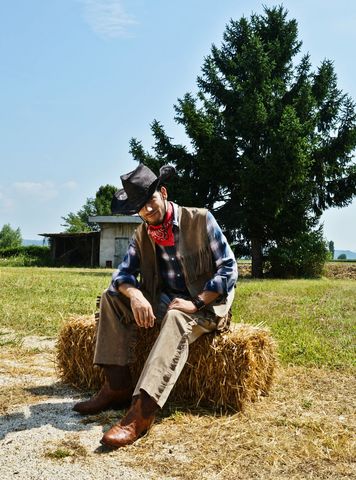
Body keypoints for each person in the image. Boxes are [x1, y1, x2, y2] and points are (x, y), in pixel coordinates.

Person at [73, 164, 238, 448]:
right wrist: (135, 295)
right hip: (163, 299)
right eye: (141, 206)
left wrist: (196, 301)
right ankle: (117, 386)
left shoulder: (201, 219)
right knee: (112, 297)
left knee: (176, 316)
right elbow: (121, 277)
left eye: (151, 200)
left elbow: (229, 270)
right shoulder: (143, 233)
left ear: (163, 193)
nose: (148, 210)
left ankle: (142, 412)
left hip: (205, 305)